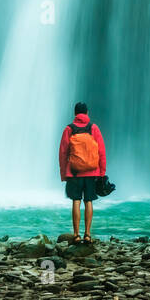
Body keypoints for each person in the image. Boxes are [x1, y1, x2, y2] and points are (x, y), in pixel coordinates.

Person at [58, 102, 106, 244]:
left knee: (76, 201)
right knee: (89, 201)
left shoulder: (69, 129)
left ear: (75, 113)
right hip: (92, 172)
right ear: (87, 113)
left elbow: (62, 153)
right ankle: (88, 234)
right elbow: (101, 151)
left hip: (74, 172)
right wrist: (102, 173)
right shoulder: (93, 128)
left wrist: (63, 174)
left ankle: (76, 235)